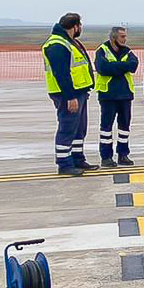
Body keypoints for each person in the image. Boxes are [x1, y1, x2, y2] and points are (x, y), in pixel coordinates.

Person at [42, 12, 95, 176]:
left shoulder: (68, 42)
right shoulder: (57, 44)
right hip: (67, 94)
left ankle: (78, 158)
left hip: (79, 91)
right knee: (67, 128)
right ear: (75, 26)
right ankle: (64, 163)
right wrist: (70, 97)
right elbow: (62, 74)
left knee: (79, 129)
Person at [94, 25, 140, 167]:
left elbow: (133, 65)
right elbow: (102, 68)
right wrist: (122, 66)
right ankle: (106, 157)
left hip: (125, 95)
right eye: (122, 36)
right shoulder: (102, 50)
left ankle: (123, 154)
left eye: (125, 36)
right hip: (108, 95)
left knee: (124, 127)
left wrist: (114, 67)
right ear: (114, 37)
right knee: (106, 127)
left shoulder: (127, 51)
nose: (125, 39)